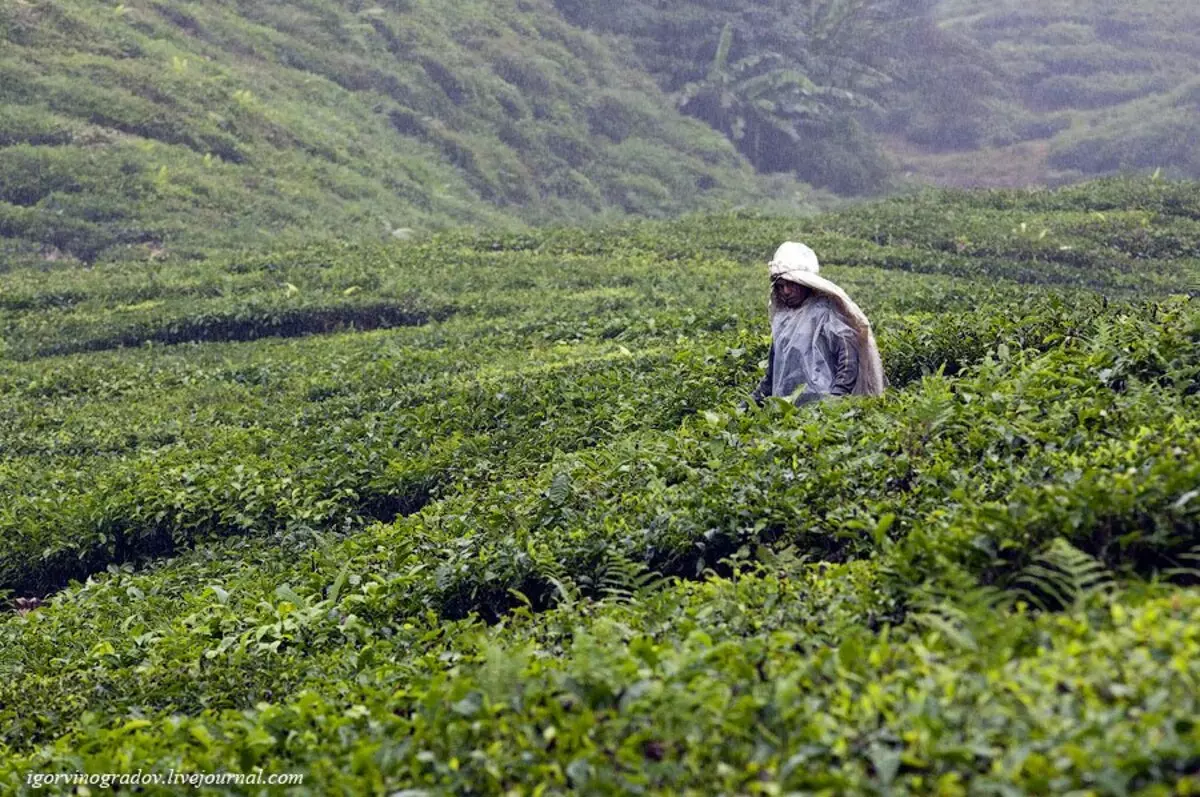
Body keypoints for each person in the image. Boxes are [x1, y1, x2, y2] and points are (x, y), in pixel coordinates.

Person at [750, 241, 886, 406]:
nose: (785, 291)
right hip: (786, 413)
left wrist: (835, 400)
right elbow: (772, 376)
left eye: (791, 284)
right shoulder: (783, 321)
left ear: (805, 283)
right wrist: (748, 404)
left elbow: (848, 361)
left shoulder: (826, 313)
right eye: (780, 286)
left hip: (822, 411)